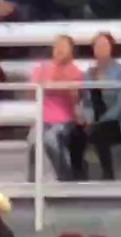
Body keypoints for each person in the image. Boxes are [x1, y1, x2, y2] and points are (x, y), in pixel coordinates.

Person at [67, 33, 121, 182]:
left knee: (99, 132)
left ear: (112, 48)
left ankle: (108, 174)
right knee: (74, 133)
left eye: (105, 45)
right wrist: (83, 117)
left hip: (117, 122)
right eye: (98, 45)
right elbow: (85, 100)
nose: (101, 49)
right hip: (93, 119)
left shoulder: (120, 72)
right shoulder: (89, 73)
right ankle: (77, 174)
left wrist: (101, 121)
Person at [31, 35, 83, 182]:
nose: (59, 49)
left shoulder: (76, 72)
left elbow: (75, 98)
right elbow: (33, 93)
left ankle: (65, 177)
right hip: (43, 119)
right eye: (57, 45)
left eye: (63, 46)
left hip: (65, 120)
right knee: (32, 141)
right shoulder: (40, 68)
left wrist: (59, 78)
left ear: (71, 51)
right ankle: (32, 183)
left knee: (50, 138)